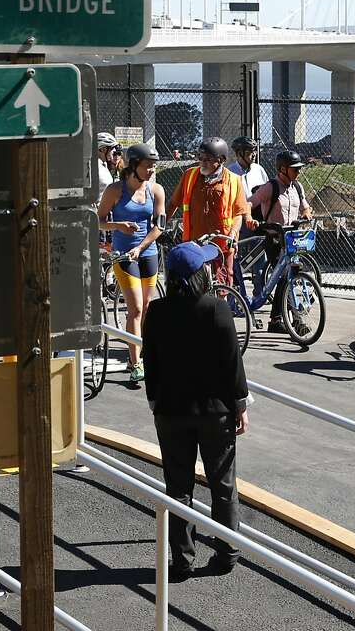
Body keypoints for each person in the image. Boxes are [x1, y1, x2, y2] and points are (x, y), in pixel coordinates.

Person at [143, 241, 249, 582]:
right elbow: (233, 366)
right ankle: (227, 550)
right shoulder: (217, 309)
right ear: (197, 275)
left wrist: (154, 401)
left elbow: (152, 365)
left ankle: (182, 559)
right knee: (222, 482)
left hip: (171, 411)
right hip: (215, 412)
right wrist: (240, 405)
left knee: (178, 485)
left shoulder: (157, 312)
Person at [97, 143, 166, 384]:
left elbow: (160, 225)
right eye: (147, 166)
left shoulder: (156, 190)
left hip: (148, 253)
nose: (151, 170)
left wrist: (141, 246)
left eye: (153, 166)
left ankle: (140, 353)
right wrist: (119, 226)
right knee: (136, 308)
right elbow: (99, 221)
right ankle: (136, 362)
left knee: (148, 307)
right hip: (123, 255)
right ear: (134, 165)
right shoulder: (115, 190)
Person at [167, 137, 251, 287]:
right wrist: (160, 224)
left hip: (222, 244)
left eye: (208, 159)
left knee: (222, 285)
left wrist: (232, 234)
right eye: (201, 158)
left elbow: (238, 213)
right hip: (194, 244)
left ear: (221, 160)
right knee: (195, 286)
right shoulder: (189, 175)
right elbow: (174, 203)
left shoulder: (233, 180)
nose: (203, 162)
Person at [247, 150, 314, 333]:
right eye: (295, 169)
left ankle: (276, 320)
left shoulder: (297, 187)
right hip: (275, 240)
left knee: (289, 277)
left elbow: (305, 205)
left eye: (299, 169)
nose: (298, 172)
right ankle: (296, 321)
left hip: (292, 239)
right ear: (283, 169)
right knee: (285, 276)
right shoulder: (271, 187)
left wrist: (306, 212)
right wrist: (248, 218)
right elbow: (250, 202)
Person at [228, 136, 270, 301]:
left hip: (257, 221)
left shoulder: (259, 170)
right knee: (235, 258)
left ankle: (259, 295)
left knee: (260, 259)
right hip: (238, 221)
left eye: (254, 151)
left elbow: (266, 192)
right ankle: (237, 296)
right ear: (239, 154)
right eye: (250, 152)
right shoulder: (230, 172)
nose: (254, 154)